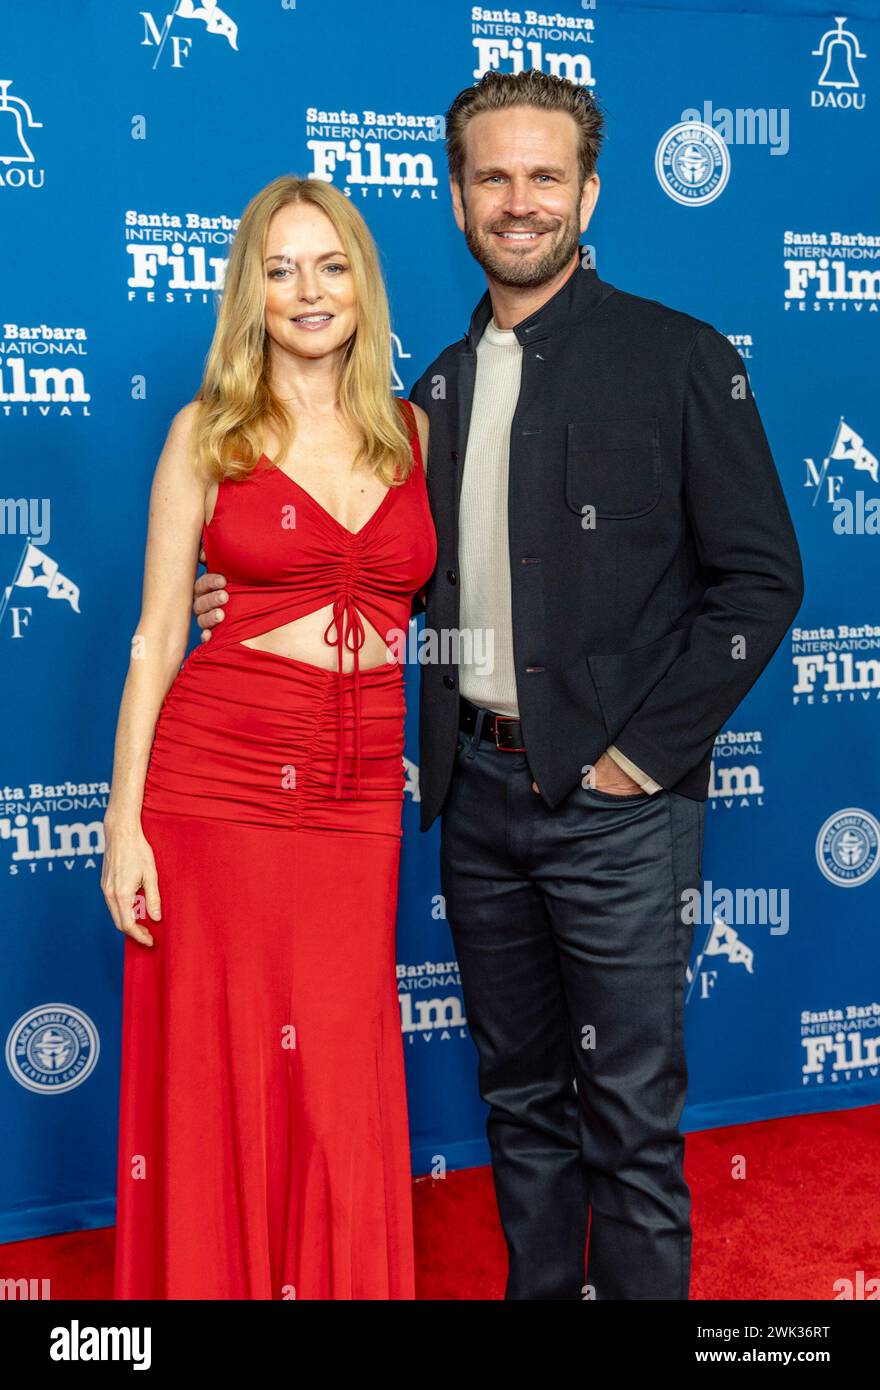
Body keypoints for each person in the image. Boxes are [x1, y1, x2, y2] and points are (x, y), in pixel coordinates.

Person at [194, 72, 804, 1300]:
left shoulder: (681, 358)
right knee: (517, 1101)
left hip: (620, 809)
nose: (516, 203)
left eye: (542, 177)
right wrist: (249, 601)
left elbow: (761, 582)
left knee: (626, 1119)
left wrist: (639, 756)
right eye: (490, 178)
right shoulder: (425, 393)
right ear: (454, 194)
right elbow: (394, 582)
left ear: (589, 191)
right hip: (472, 796)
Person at [103, 174, 435, 1300]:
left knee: (337, 1079)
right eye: (281, 268)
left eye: (330, 265)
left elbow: (429, 608)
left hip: (350, 795)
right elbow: (155, 635)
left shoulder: (411, 432)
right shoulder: (209, 431)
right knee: (223, 1068)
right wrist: (120, 823)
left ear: (362, 283)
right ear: (249, 288)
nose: (308, 291)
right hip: (216, 783)